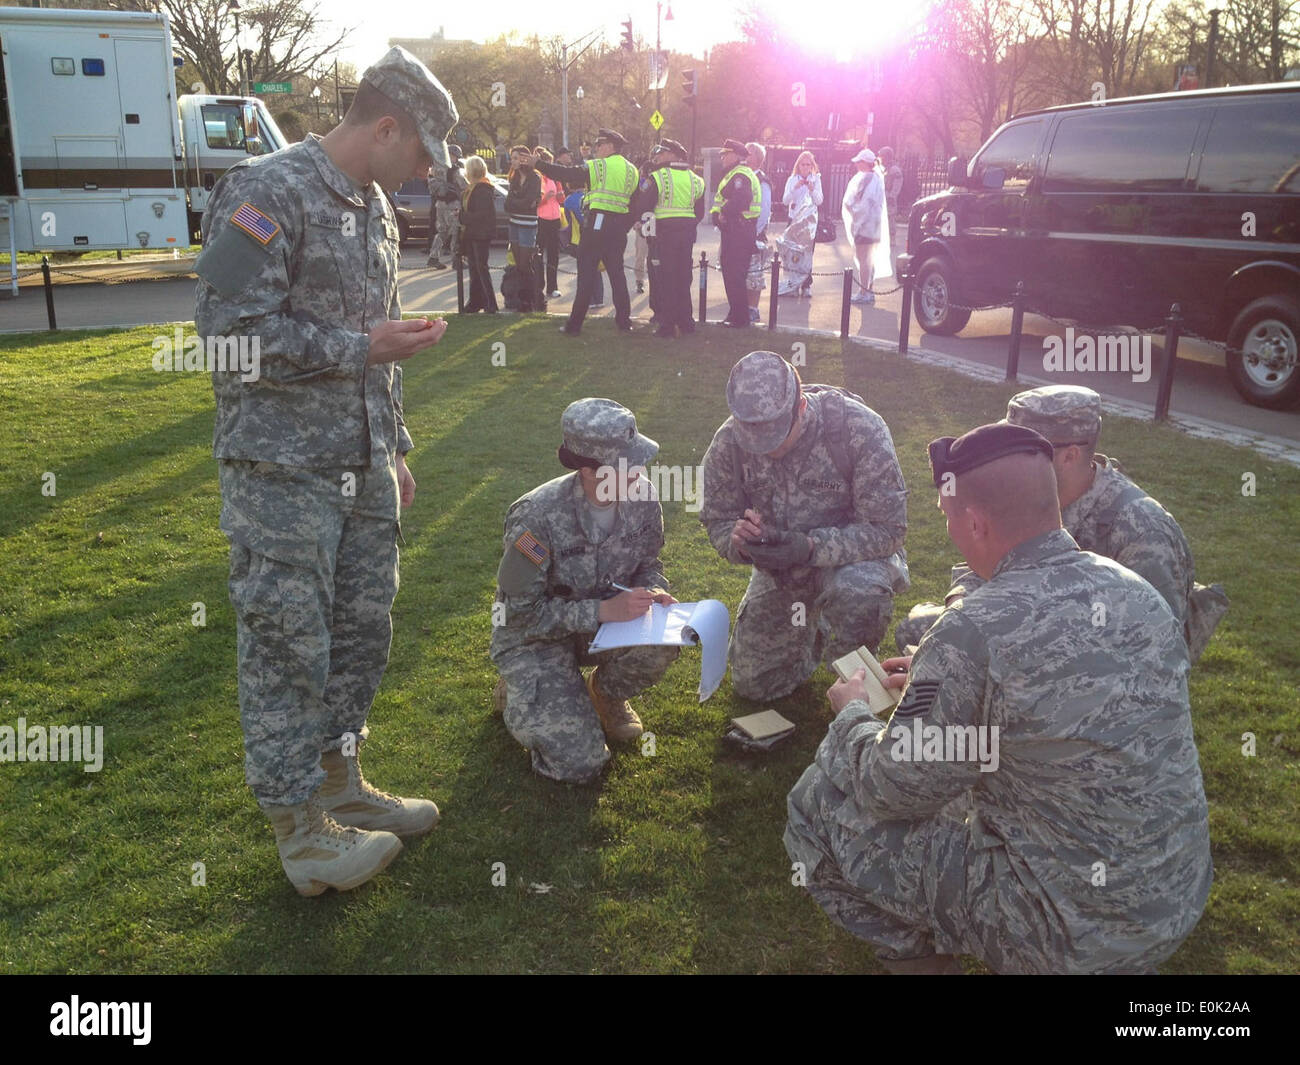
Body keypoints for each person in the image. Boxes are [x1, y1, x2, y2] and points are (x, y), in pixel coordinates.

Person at [785, 422, 1214, 973]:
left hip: (1062, 931)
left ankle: (921, 960)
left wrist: (849, 716)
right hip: (1173, 898)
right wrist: (937, 677)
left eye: (948, 522)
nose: (950, 536)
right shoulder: (1136, 592)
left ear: (976, 523)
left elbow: (890, 790)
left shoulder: (972, 629)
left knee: (817, 803)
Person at [194, 46, 456, 896]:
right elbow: (227, 340)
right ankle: (300, 834)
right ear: (385, 126)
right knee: (287, 644)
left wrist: (396, 444)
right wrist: (361, 347)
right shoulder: (265, 190)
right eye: (420, 152)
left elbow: (376, 339)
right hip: (282, 472)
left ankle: (342, 782)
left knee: (359, 634)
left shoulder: (374, 203)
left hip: (361, 463)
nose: (423, 172)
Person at [894, 385, 1227, 659]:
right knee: (920, 630)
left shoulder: (1142, 531)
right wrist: (963, 614)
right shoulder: (1022, 489)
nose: (1012, 457)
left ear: (1070, 455)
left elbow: (1157, 644)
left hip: (1087, 662)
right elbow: (981, 569)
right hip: (1022, 620)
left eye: (1030, 447)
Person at [699, 351, 909, 700]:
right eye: (755, 441)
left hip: (849, 566)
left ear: (801, 408)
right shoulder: (729, 441)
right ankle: (812, 631)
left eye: (776, 438)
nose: (766, 450)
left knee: (860, 592)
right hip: (782, 572)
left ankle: (848, 680)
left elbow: (888, 529)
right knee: (755, 685)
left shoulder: (860, 429)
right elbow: (717, 518)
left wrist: (810, 547)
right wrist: (737, 540)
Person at [490, 399, 680, 783]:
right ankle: (521, 684)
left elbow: (649, 563)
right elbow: (517, 614)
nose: (640, 469)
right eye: (628, 462)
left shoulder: (641, 496)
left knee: (664, 637)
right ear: (589, 469)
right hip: (535, 639)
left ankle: (605, 694)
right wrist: (603, 611)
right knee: (581, 763)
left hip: (599, 628)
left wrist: (654, 590)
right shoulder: (535, 517)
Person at [534, 128, 639, 336]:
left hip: (597, 225)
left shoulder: (599, 166)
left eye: (599, 144)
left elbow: (567, 173)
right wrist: (623, 226)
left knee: (586, 275)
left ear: (610, 146)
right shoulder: (632, 170)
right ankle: (624, 321)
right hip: (618, 228)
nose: (596, 148)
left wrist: (538, 164)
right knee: (617, 275)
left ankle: (574, 326)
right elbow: (635, 205)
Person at [632, 138, 705, 339]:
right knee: (683, 278)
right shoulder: (695, 178)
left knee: (666, 279)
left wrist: (645, 228)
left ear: (674, 155)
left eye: (662, 153)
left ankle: (667, 325)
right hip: (687, 233)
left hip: (664, 233)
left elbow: (644, 207)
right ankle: (686, 322)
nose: (658, 157)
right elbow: (699, 211)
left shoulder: (658, 177)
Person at [709, 138, 761, 328]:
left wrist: (723, 212)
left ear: (736, 156)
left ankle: (740, 319)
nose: (722, 157)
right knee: (731, 274)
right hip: (736, 230)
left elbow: (742, 198)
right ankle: (735, 315)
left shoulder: (740, 175)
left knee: (735, 275)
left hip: (739, 230)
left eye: (725, 154)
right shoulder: (735, 174)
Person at [841, 147, 890, 304]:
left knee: (864, 259)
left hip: (865, 226)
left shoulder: (867, 178)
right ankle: (868, 289)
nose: (856, 164)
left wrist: (854, 215)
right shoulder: (875, 177)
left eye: (859, 161)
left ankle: (864, 292)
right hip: (873, 226)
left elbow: (862, 203)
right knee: (870, 258)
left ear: (865, 163)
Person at [777, 150, 822, 297]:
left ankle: (806, 285)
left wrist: (812, 189)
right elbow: (785, 200)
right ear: (798, 165)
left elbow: (819, 200)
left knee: (807, 254)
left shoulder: (816, 179)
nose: (805, 167)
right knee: (791, 252)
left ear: (812, 166)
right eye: (803, 164)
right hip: (794, 220)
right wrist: (795, 188)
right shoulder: (792, 179)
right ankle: (792, 284)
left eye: (808, 164)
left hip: (808, 223)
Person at [459, 154, 498, 314]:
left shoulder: (482, 189)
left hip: (480, 234)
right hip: (474, 233)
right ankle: (476, 302)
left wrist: (462, 217)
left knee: (481, 269)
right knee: (475, 269)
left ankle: (490, 303)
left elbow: (481, 215)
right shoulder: (473, 188)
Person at [504, 145, 541, 312]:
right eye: (512, 158)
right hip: (514, 222)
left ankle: (533, 299)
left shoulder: (534, 178)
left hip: (528, 224)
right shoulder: (513, 178)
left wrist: (518, 203)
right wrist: (521, 203)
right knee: (518, 264)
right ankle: (522, 299)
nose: (513, 161)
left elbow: (529, 202)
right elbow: (507, 204)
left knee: (526, 264)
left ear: (524, 158)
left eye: (516, 158)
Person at [426, 143, 467, 269]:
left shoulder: (436, 168)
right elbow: (464, 185)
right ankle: (456, 260)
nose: (455, 158)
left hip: (439, 204)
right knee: (456, 231)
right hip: (452, 204)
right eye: (455, 156)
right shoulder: (455, 170)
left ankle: (433, 257)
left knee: (442, 232)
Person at [745, 142, 773, 324]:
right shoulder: (744, 177)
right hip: (741, 235)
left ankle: (753, 309)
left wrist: (753, 234)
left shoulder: (762, 181)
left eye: (747, 154)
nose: (743, 157)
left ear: (756, 158)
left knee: (754, 275)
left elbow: (764, 211)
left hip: (754, 236)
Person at [535, 146, 564, 300]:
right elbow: (534, 202)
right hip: (541, 219)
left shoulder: (555, 179)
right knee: (539, 254)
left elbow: (562, 199)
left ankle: (553, 287)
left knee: (554, 254)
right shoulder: (538, 178)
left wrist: (559, 195)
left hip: (555, 219)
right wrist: (545, 198)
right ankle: (539, 286)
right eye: (547, 163)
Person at [879, 146, 904, 264]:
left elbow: (897, 184)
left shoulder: (894, 170)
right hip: (881, 197)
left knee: (890, 218)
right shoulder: (882, 168)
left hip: (889, 198)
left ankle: (892, 238)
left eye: (882, 156)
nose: (880, 158)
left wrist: (892, 196)